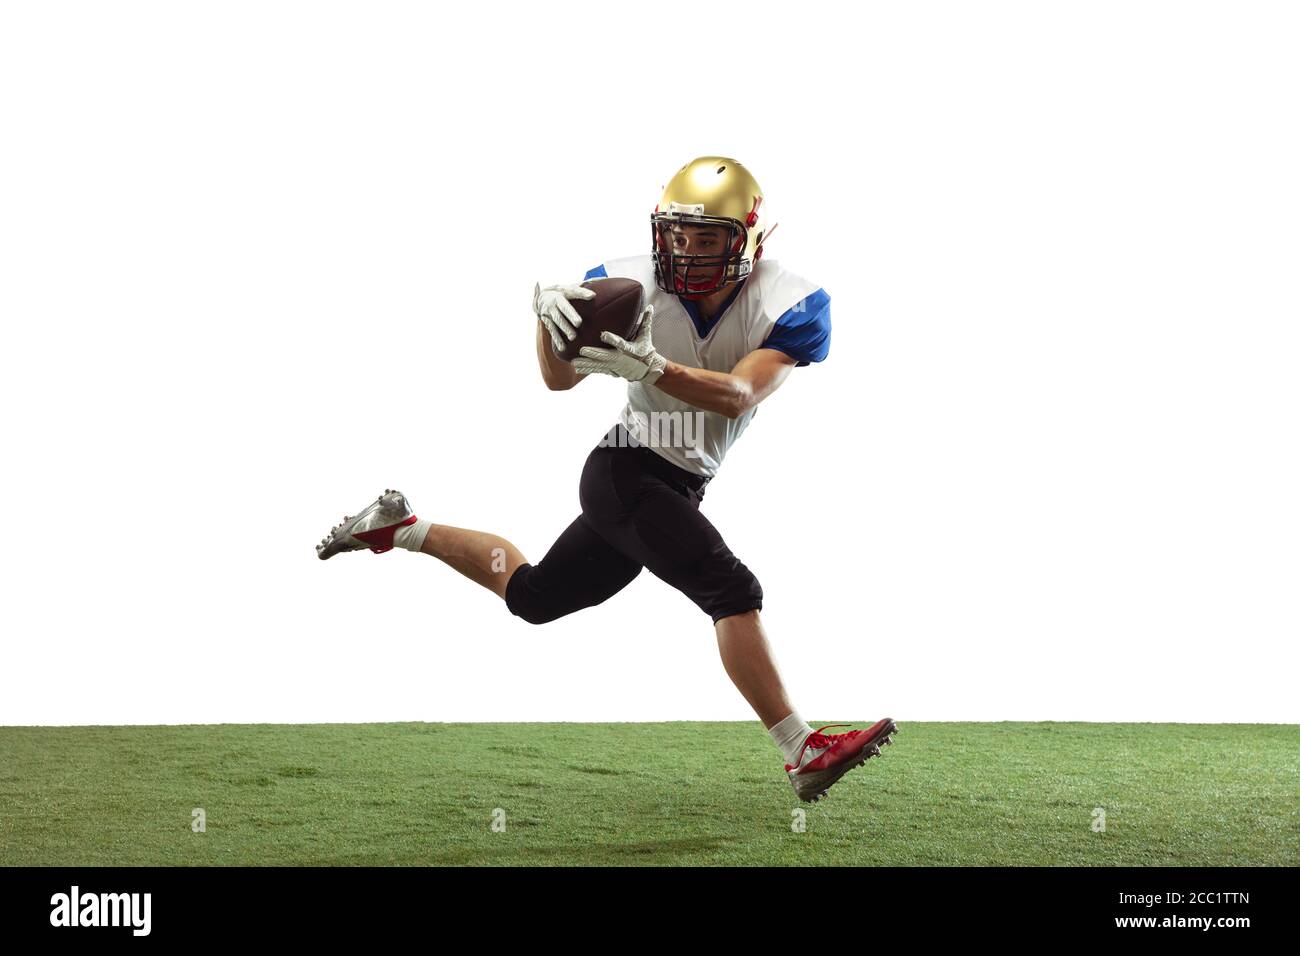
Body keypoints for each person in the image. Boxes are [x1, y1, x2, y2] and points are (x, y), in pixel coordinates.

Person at [316, 156, 896, 802]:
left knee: (534, 597)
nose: (688, 251)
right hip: (623, 467)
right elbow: (558, 380)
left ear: (751, 239)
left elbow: (737, 394)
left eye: (708, 238)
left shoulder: (787, 301)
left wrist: (652, 368)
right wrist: (547, 325)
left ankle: (402, 527)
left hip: (676, 485)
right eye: (678, 235)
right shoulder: (627, 281)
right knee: (730, 587)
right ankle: (801, 749)